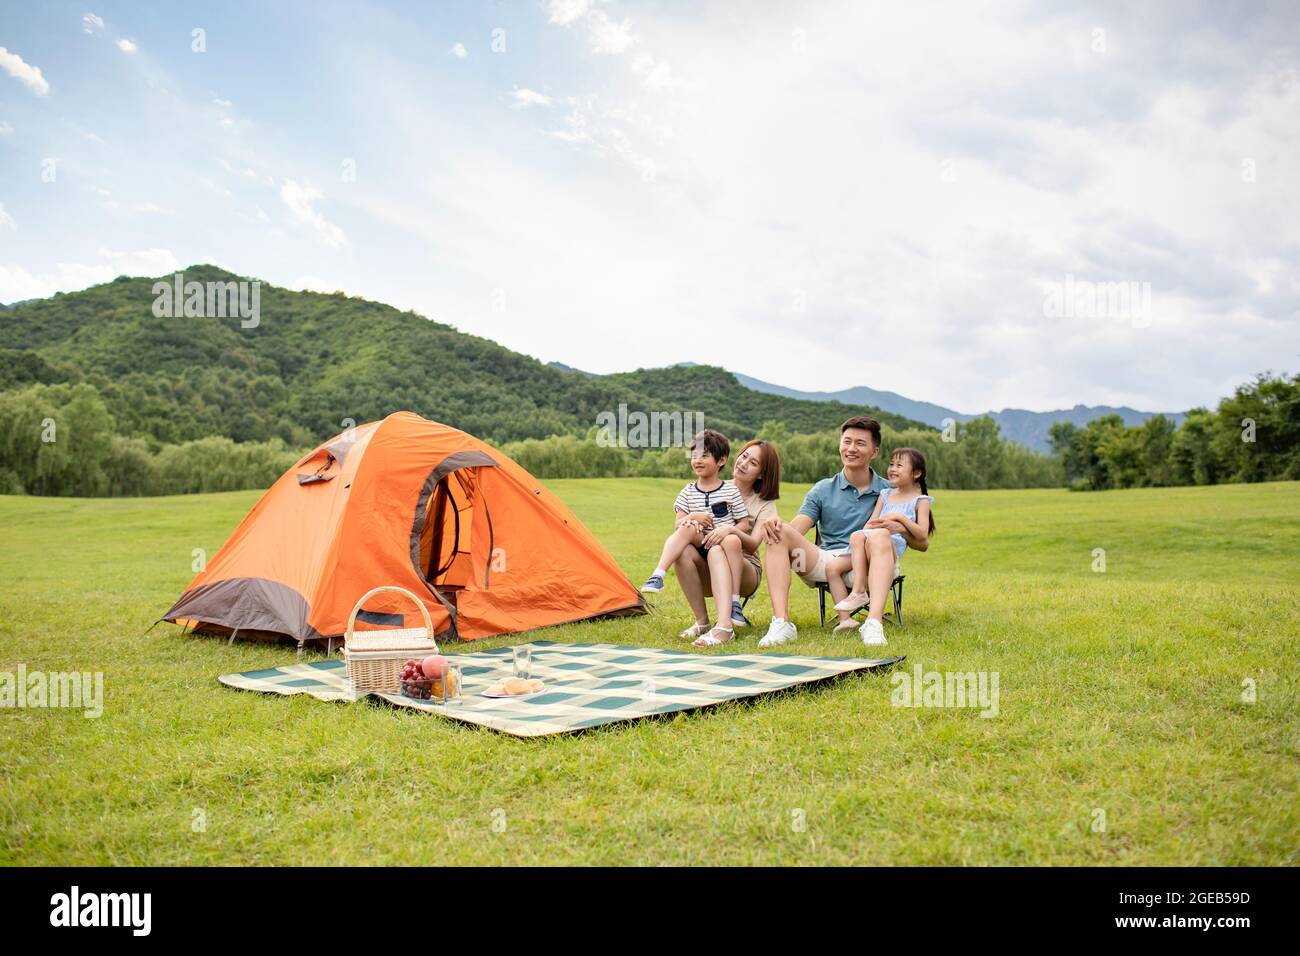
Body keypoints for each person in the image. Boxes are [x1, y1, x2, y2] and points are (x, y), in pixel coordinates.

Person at [756, 416, 927, 648]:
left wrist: (900, 528)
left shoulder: (892, 490)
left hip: (874, 558)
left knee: (878, 535)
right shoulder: (823, 489)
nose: (851, 448)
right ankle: (782, 623)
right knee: (778, 532)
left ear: (874, 452)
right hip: (827, 561)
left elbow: (922, 544)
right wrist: (777, 524)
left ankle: (873, 623)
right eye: (847, 441)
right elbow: (796, 529)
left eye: (860, 443)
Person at [641, 430, 748, 645]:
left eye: (705, 455)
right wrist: (693, 516)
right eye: (694, 455)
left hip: (723, 549)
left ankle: (726, 622)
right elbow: (678, 524)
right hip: (698, 543)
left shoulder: (730, 490)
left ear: (721, 460)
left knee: (722, 545)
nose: (697, 460)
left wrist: (727, 529)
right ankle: (659, 575)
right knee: (686, 532)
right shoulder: (688, 491)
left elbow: (744, 523)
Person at [673, 438, 782, 647]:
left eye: (753, 463)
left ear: (761, 473)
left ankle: (724, 627)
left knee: (723, 546)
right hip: (710, 560)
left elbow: (752, 545)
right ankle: (703, 622)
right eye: (743, 456)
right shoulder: (715, 486)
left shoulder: (764, 504)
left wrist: (731, 529)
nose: (743, 463)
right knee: (683, 550)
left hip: (745, 568)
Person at [831, 447, 934, 646]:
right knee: (857, 535)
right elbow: (871, 522)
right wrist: (871, 528)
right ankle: (859, 591)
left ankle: (868, 610)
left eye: (899, 465)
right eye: (891, 464)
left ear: (916, 473)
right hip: (871, 541)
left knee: (879, 535)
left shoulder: (921, 501)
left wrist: (898, 518)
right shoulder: (885, 494)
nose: (892, 469)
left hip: (889, 549)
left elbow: (922, 534)